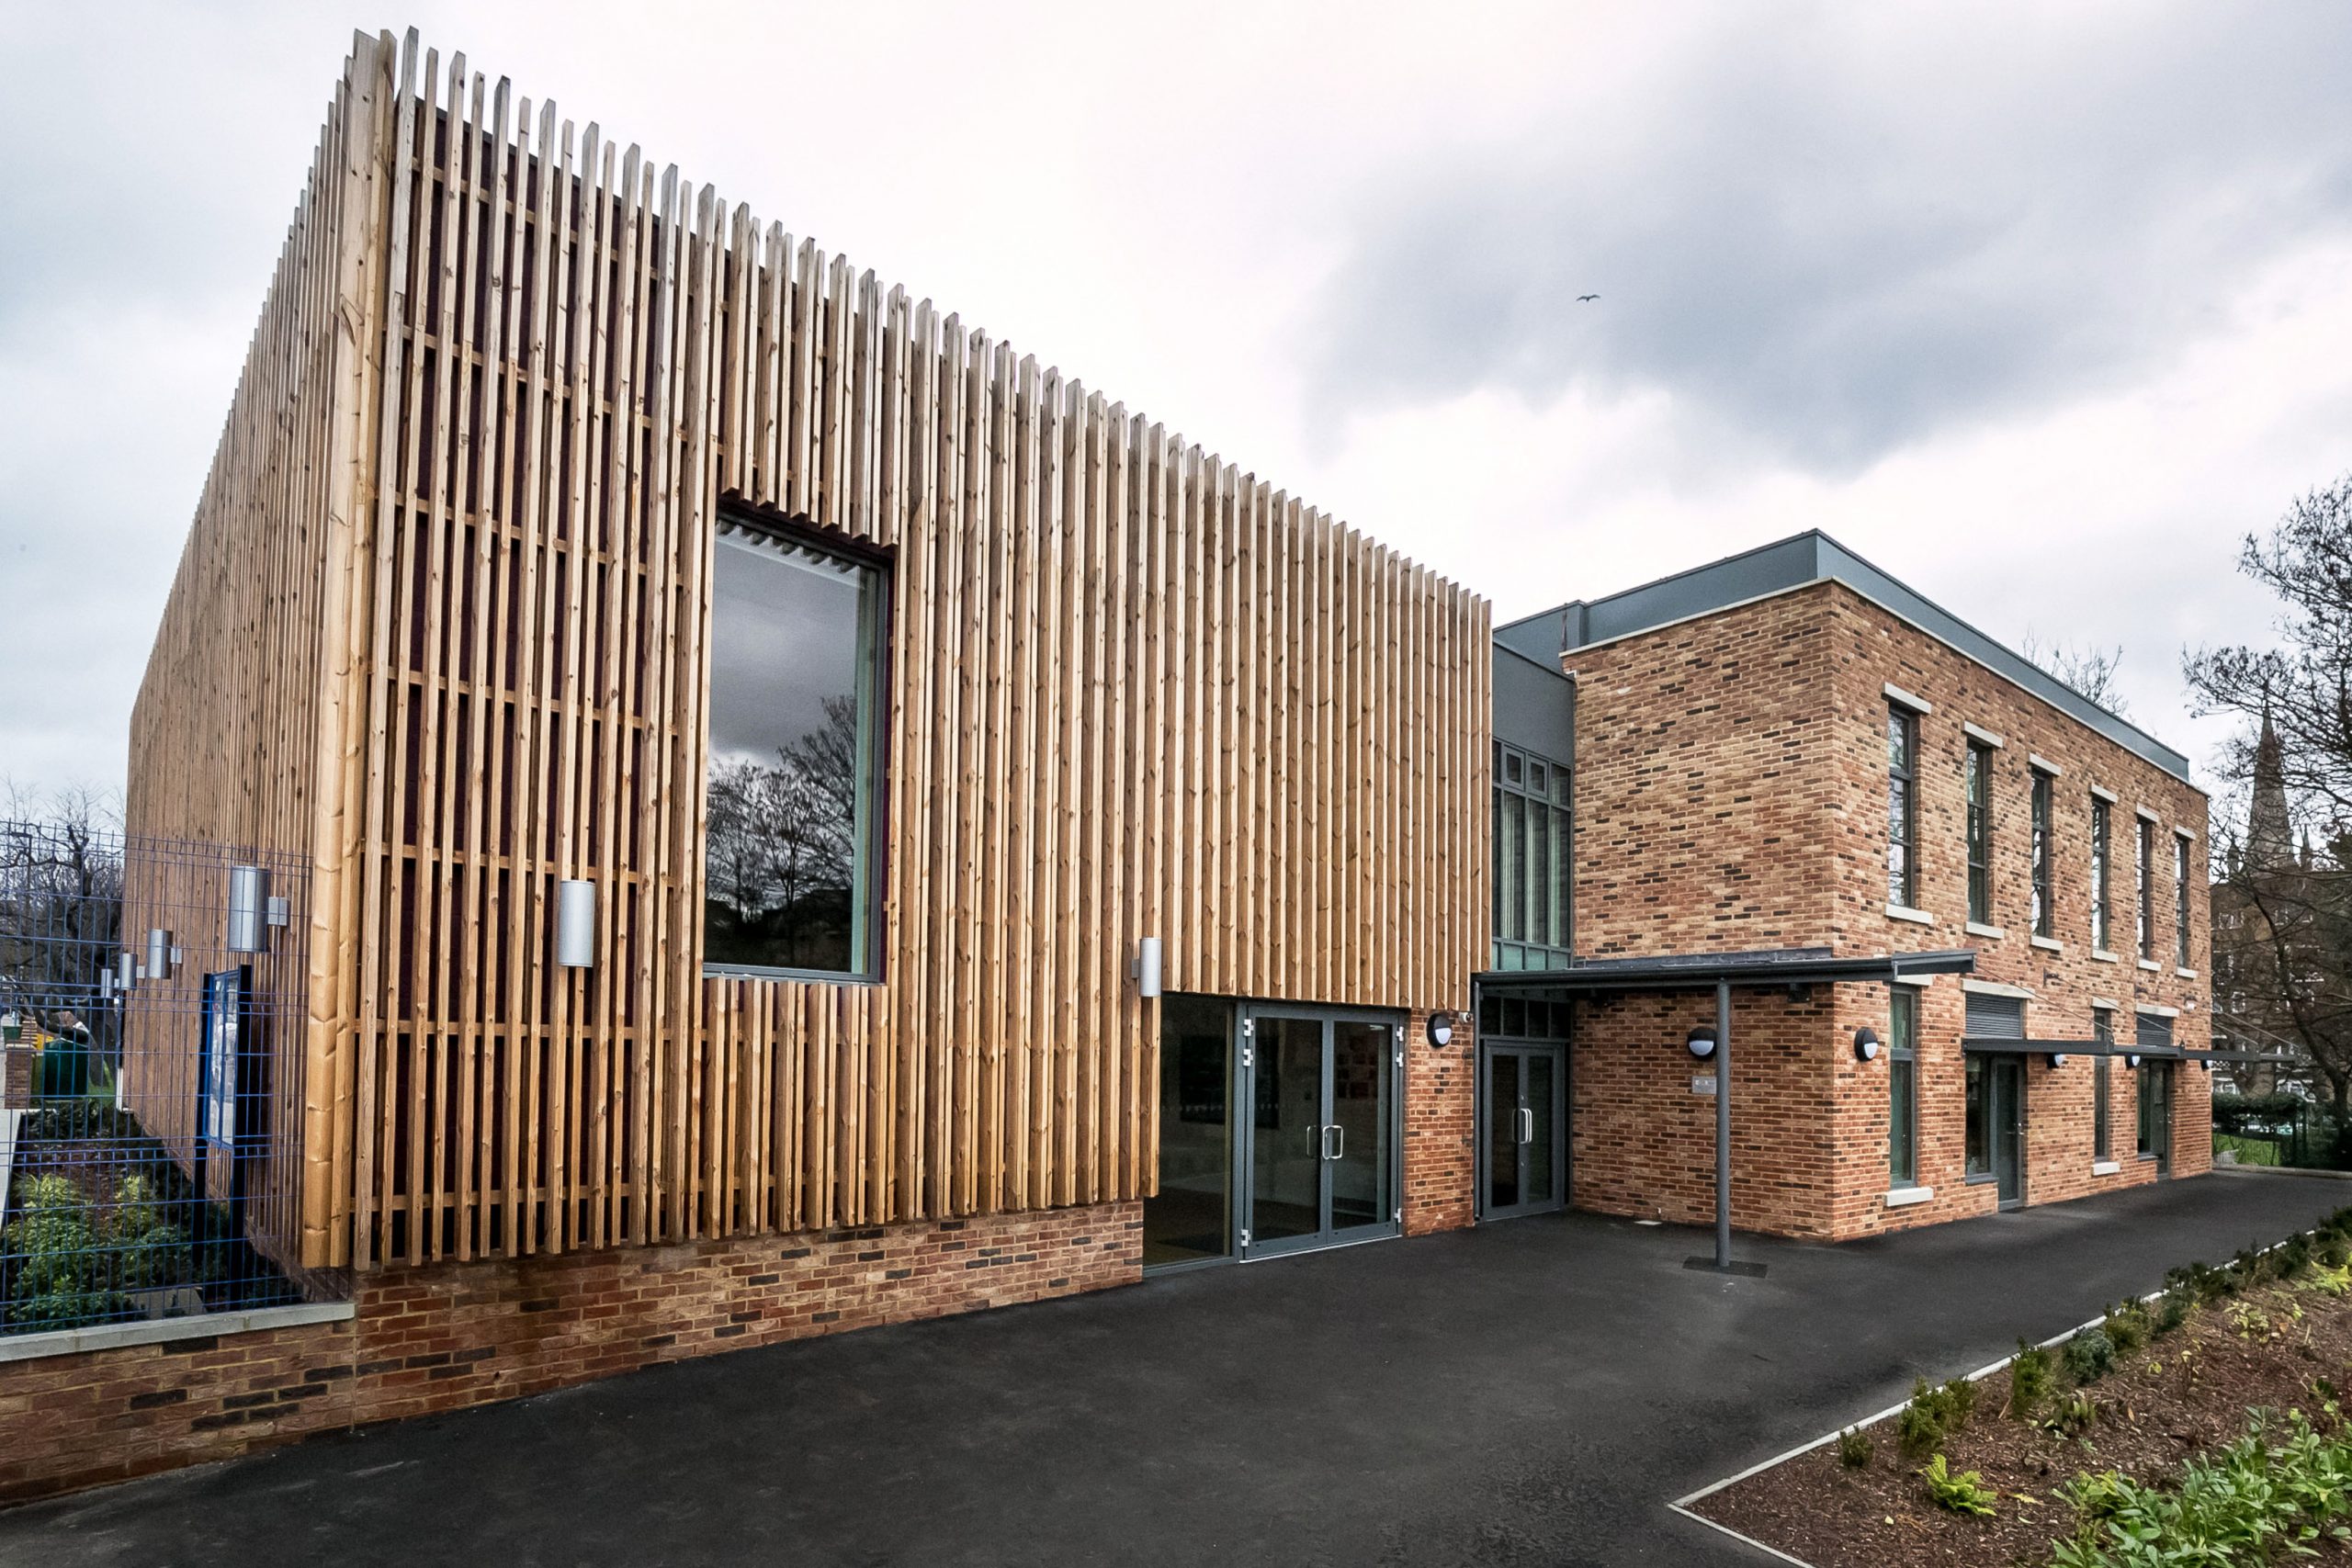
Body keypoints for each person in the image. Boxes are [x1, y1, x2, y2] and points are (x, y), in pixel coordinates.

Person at [36, 1008, 91, 1100]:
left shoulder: (82, 1031)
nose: (66, 1017)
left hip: (72, 1062)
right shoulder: (76, 1030)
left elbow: (65, 1033)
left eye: (68, 1015)